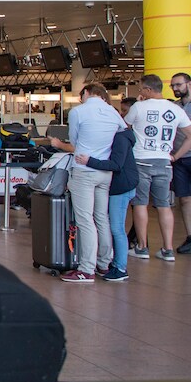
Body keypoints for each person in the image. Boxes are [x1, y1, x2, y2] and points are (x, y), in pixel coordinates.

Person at [53, 83, 124, 282]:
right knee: (102, 218)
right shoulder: (112, 112)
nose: (79, 98)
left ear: (87, 92)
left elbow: (74, 143)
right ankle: (104, 263)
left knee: (85, 220)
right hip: (105, 170)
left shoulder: (79, 112)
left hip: (84, 170)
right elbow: (122, 133)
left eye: (80, 94)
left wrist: (59, 144)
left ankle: (86, 269)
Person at [124, 74, 191, 262]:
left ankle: (142, 247)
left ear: (147, 90)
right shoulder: (175, 109)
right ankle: (168, 250)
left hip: (141, 162)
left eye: (140, 89)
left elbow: (123, 127)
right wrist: (175, 156)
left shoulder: (138, 107)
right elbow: (190, 136)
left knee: (140, 204)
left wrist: (138, 104)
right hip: (164, 162)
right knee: (164, 206)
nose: (140, 93)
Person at [77, 119, 138, 281]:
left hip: (121, 186)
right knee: (110, 224)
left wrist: (89, 161)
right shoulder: (122, 136)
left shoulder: (120, 138)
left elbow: (116, 164)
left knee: (116, 227)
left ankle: (120, 267)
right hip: (124, 184)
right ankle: (112, 263)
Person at [170, 73, 191, 254]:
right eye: (173, 86)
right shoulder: (174, 107)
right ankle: (190, 236)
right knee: (184, 199)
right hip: (180, 158)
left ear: (188, 84)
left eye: (178, 85)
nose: (176, 88)